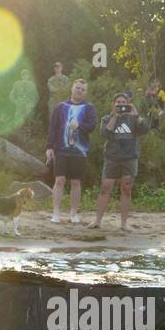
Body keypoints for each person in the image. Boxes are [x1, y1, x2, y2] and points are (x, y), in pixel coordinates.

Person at [89, 92, 149, 232]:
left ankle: (124, 223)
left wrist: (137, 115)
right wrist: (115, 117)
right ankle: (97, 221)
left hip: (129, 158)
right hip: (112, 157)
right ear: (114, 104)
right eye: (118, 102)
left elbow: (145, 129)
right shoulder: (107, 118)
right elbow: (104, 133)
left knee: (126, 190)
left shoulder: (134, 119)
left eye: (123, 102)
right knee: (105, 188)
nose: (121, 105)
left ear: (128, 104)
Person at [46, 78, 96, 224]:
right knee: (59, 180)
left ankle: (73, 213)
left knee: (76, 182)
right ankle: (55, 213)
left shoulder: (89, 108)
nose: (79, 90)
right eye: (77, 87)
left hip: (80, 151)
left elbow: (92, 126)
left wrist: (79, 124)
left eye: (83, 89)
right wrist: (49, 147)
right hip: (61, 149)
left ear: (85, 92)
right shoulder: (60, 107)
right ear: (72, 88)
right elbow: (52, 128)